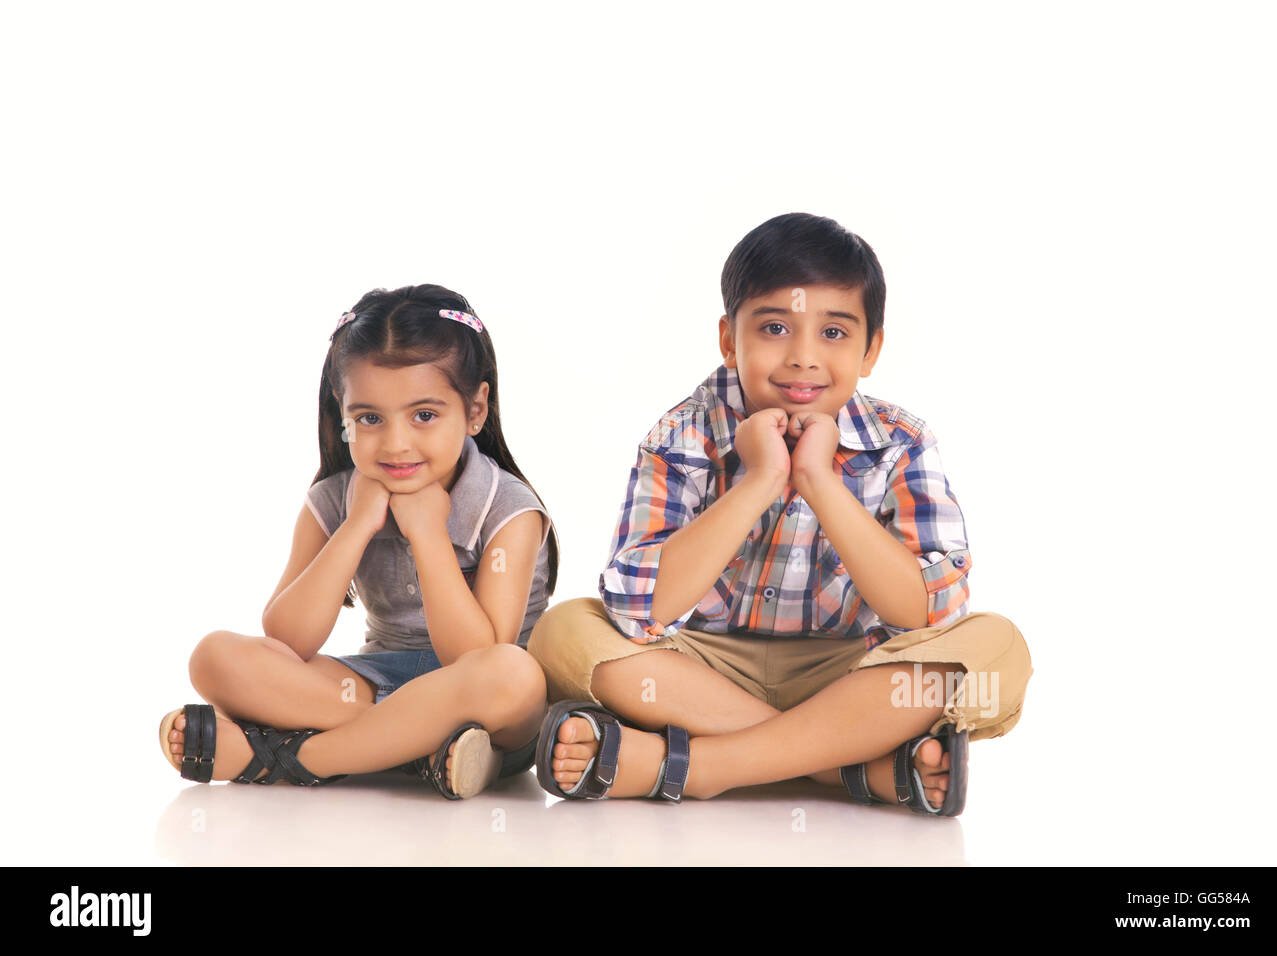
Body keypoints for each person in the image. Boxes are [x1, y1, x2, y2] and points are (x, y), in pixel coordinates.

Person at [527, 213, 1032, 814]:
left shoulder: (902, 442)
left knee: (996, 652)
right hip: (701, 671)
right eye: (773, 327)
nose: (803, 358)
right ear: (728, 340)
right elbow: (642, 609)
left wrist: (820, 480)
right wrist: (761, 480)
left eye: (834, 334)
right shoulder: (683, 434)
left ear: (871, 349)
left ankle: (695, 767)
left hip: (851, 677)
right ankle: (854, 769)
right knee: (563, 634)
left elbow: (930, 612)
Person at [159, 284, 556, 799]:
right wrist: (357, 525)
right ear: (343, 415)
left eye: (425, 416)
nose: (395, 443)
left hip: (482, 700)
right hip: (370, 683)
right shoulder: (333, 500)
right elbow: (288, 638)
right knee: (214, 658)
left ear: (475, 409)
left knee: (513, 675)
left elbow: (475, 654)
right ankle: (422, 751)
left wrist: (428, 531)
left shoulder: (508, 507)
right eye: (369, 419)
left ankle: (289, 759)